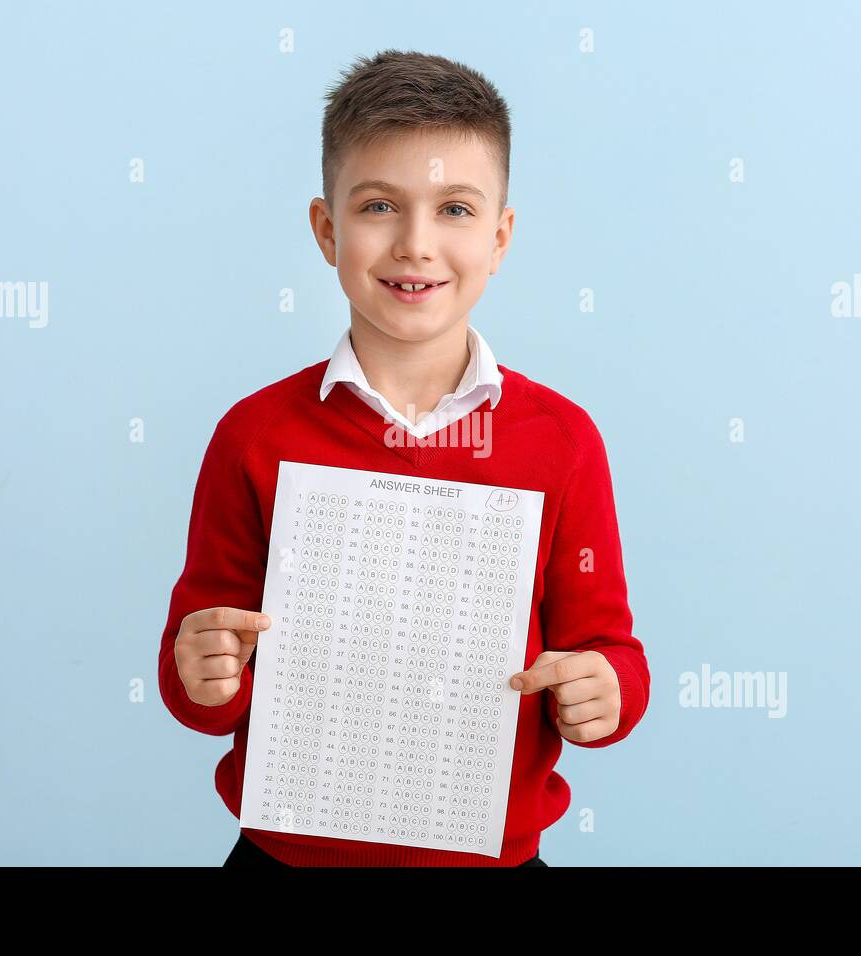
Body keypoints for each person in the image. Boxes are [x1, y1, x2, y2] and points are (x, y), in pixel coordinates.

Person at [159, 50, 649, 867]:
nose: (415, 245)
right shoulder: (253, 436)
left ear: (499, 238)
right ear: (327, 230)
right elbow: (200, 673)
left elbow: (608, 651)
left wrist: (606, 693)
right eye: (380, 206)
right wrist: (199, 672)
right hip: (287, 858)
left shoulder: (562, 440)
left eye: (455, 210)